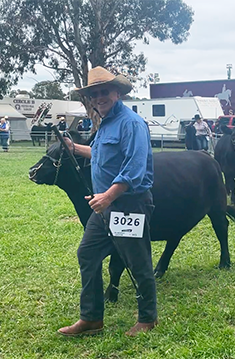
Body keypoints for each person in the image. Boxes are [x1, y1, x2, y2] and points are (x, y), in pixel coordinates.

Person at [57, 66, 157, 337]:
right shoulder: (105, 123)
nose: (99, 97)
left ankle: (148, 319)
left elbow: (134, 168)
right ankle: (91, 319)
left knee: (137, 261)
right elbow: (100, 154)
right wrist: (74, 148)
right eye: (94, 94)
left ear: (117, 92)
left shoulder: (132, 123)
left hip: (128, 205)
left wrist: (108, 195)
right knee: (87, 253)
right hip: (104, 207)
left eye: (104, 92)